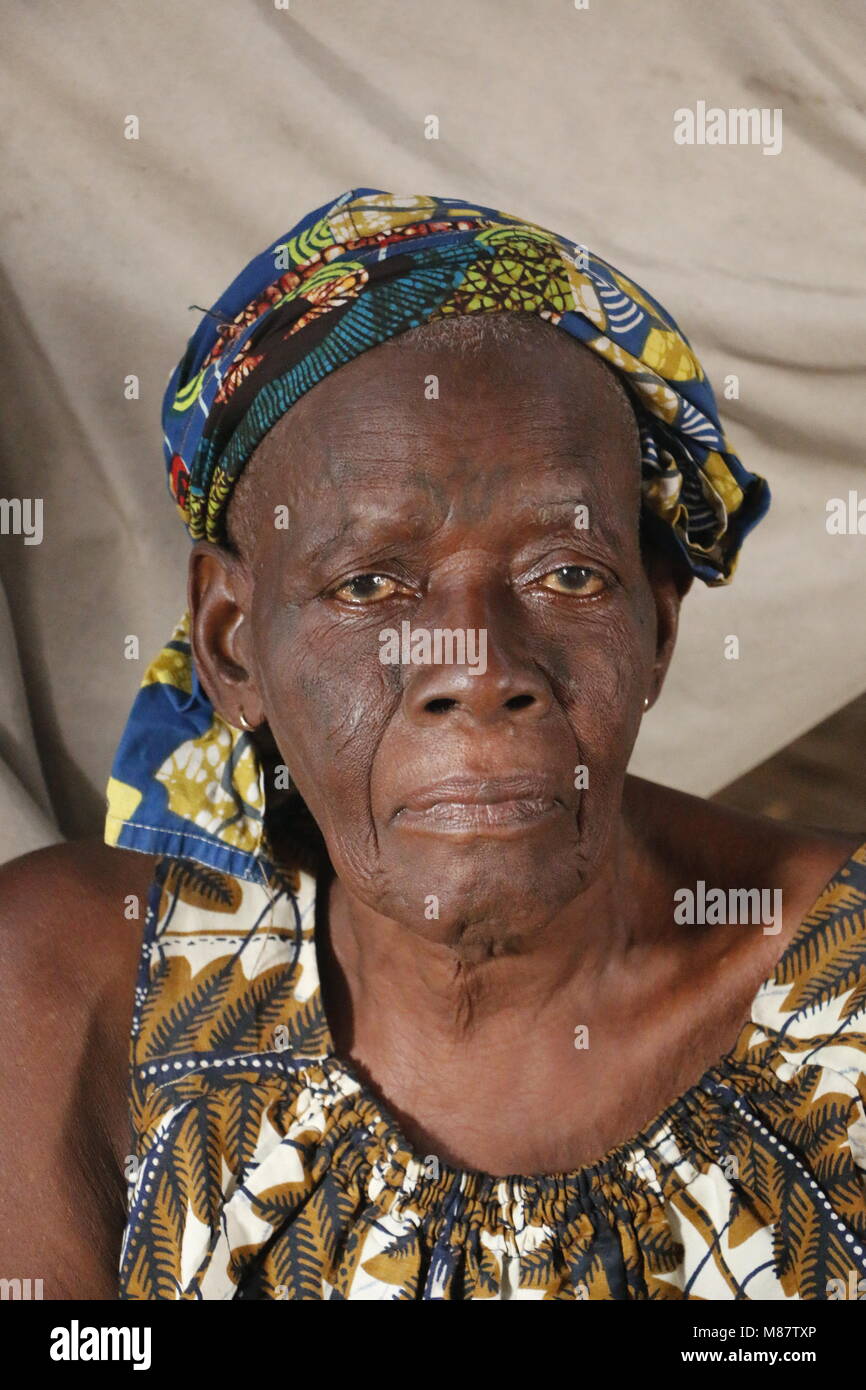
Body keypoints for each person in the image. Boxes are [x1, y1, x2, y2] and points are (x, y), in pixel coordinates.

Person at [1, 189, 863, 1301]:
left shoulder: (837, 1006)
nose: (479, 667)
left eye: (566, 574)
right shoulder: (72, 992)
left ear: (654, 624)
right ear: (231, 646)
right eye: (368, 584)